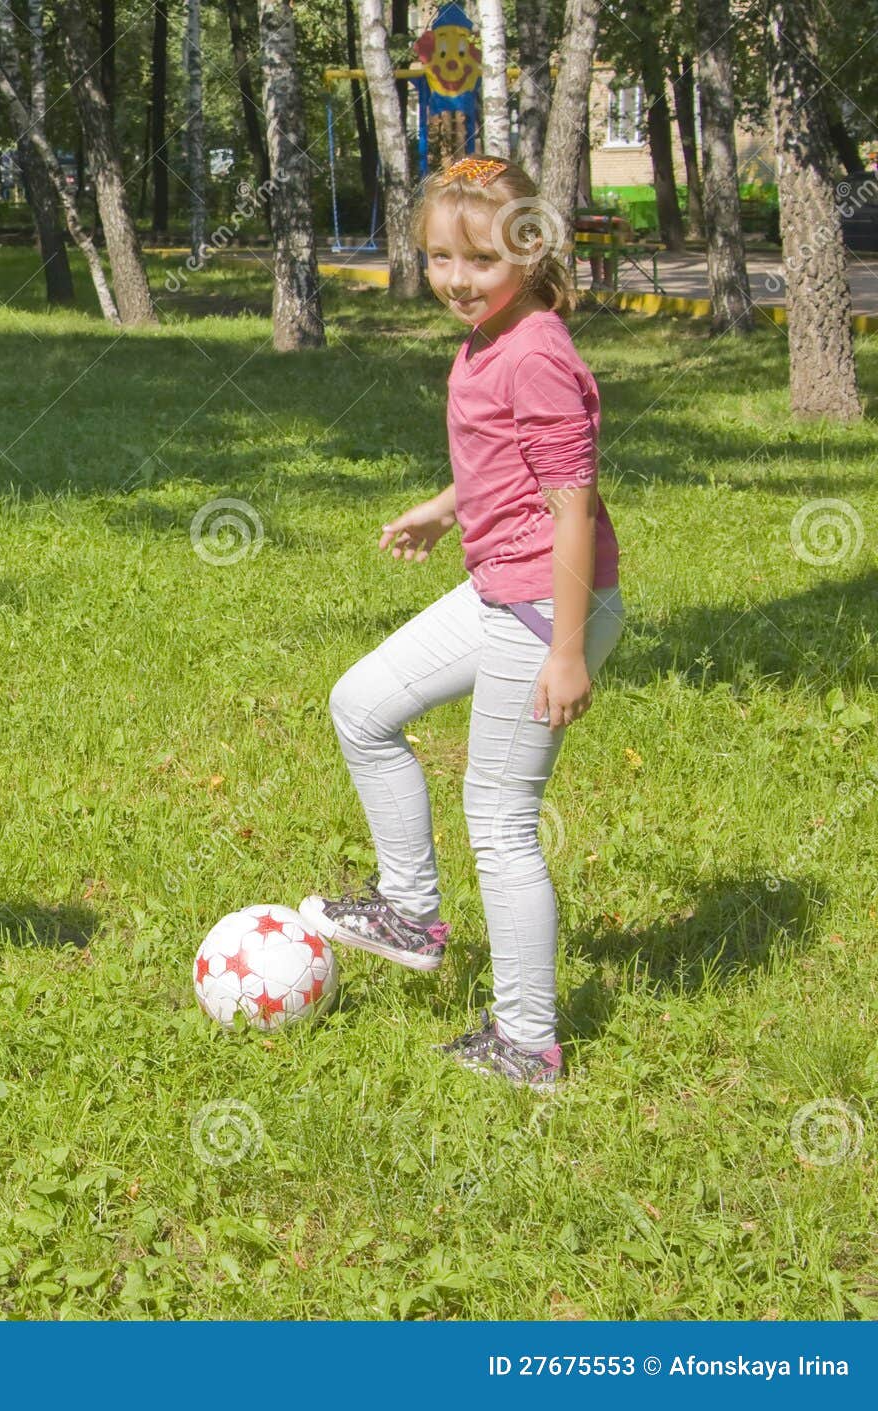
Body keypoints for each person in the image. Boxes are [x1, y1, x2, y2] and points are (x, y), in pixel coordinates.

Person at [299, 154, 624, 1090]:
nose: (453, 280)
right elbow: (508, 468)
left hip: (546, 606)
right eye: (439, 258)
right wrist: (447, 509)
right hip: (503, 588)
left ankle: (528, 1042)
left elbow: (572, 502)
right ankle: (410, 911)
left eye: (476, 260)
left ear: (528, 249)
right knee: (361, 703)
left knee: (501, 818)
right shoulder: (492, 337)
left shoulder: (537, 351)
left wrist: (566, 651)